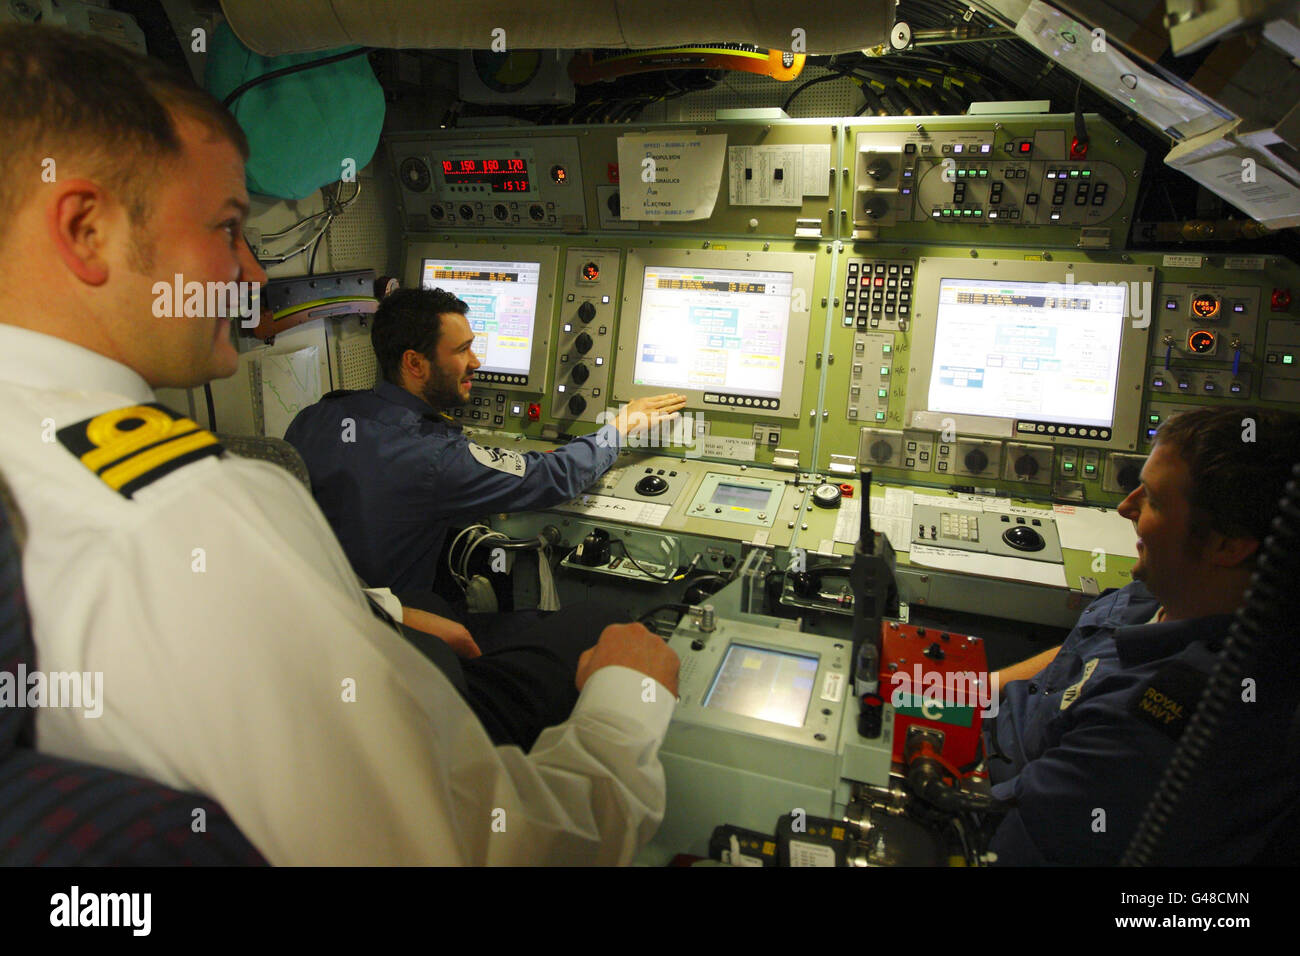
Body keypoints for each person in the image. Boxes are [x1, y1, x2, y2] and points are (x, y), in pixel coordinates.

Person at [0, 23, 678, 865]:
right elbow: (463, 848)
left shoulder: (302, 423)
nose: (252, 273)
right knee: (572, 641)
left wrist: (377, 610)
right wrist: (627, 709)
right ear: (87, 231)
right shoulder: (191, 511)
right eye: (225, 228)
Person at [984, 406, 1300, 864]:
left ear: (1227, 546)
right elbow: (1075, 658)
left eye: (1151, 498)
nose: (1124, 507)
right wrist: (964, 692)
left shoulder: (1162, 724)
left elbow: (1001, 816)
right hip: (990, 729)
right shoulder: (1169, 590)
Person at [284, 285, 688, 594]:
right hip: (393, 635)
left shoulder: (315, 418)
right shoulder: (435, 456)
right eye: (462, 350)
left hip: (328, 612)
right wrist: (618, 428)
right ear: (415, 363)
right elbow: (553, 476)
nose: (475, 363)